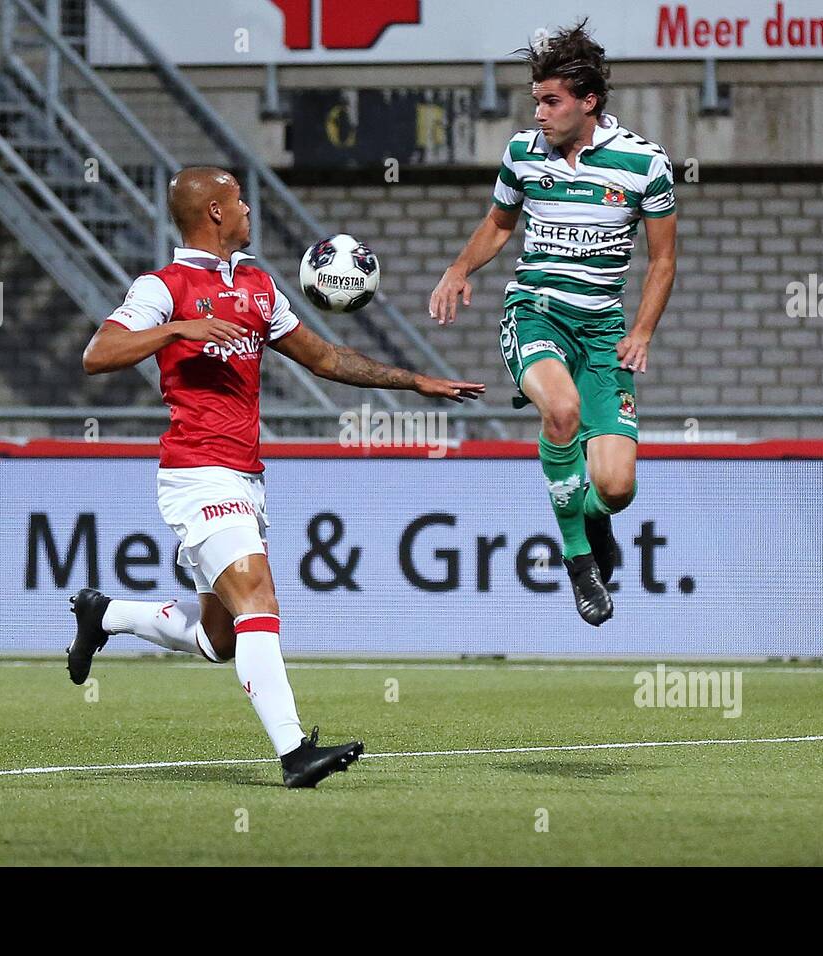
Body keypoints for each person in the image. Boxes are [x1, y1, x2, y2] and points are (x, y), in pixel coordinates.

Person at [72, 166, 485, 788]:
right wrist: (178, 328)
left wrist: (414, 381)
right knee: (259, 598)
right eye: (238, 200)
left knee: (221, 639)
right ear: (213, 211)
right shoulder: (164, 286)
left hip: (245, 478)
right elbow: (97, 354)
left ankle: (103, 615)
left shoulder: (260, 285)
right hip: (197, 473)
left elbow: (326, 358)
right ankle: (295, 753)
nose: (247, 210)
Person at [429, 19, 677, 626]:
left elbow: (664, 259)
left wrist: (641, 331)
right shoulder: (522, 153)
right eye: (535, 100)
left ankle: (591, 520)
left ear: (588, 101)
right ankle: (576, 560)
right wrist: (459, 269)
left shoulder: (644, 165)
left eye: (551, 101)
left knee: (616, 488)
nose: (538, 113)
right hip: (534, 314)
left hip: (603, 334)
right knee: (560, 412)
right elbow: (499, 224)